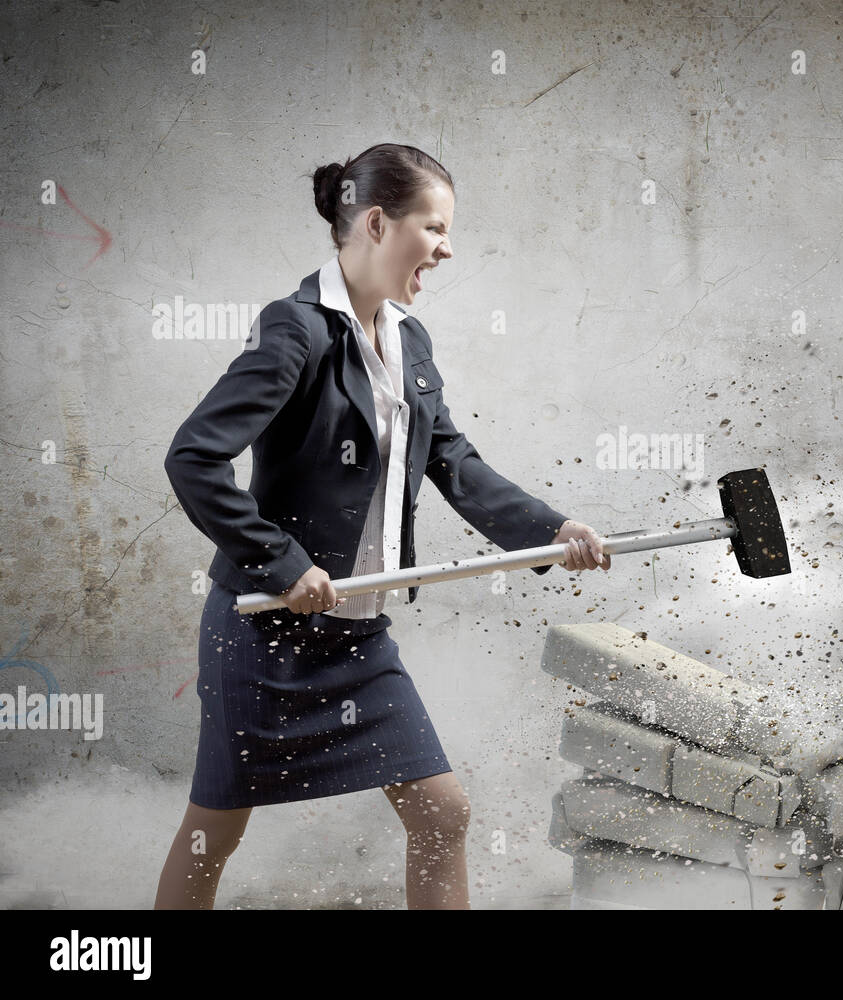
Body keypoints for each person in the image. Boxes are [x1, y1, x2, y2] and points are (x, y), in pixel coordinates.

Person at [155, 142, 611, 910]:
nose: (446, 246)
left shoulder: (410, 341)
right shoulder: (294, 330)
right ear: (376, 222)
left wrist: (551, 528)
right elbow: (193, 457)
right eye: (432, 227)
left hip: (356, 635)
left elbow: (455, 462)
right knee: (216, 832)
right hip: (264, 632)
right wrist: (283, 562)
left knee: (443, 813)